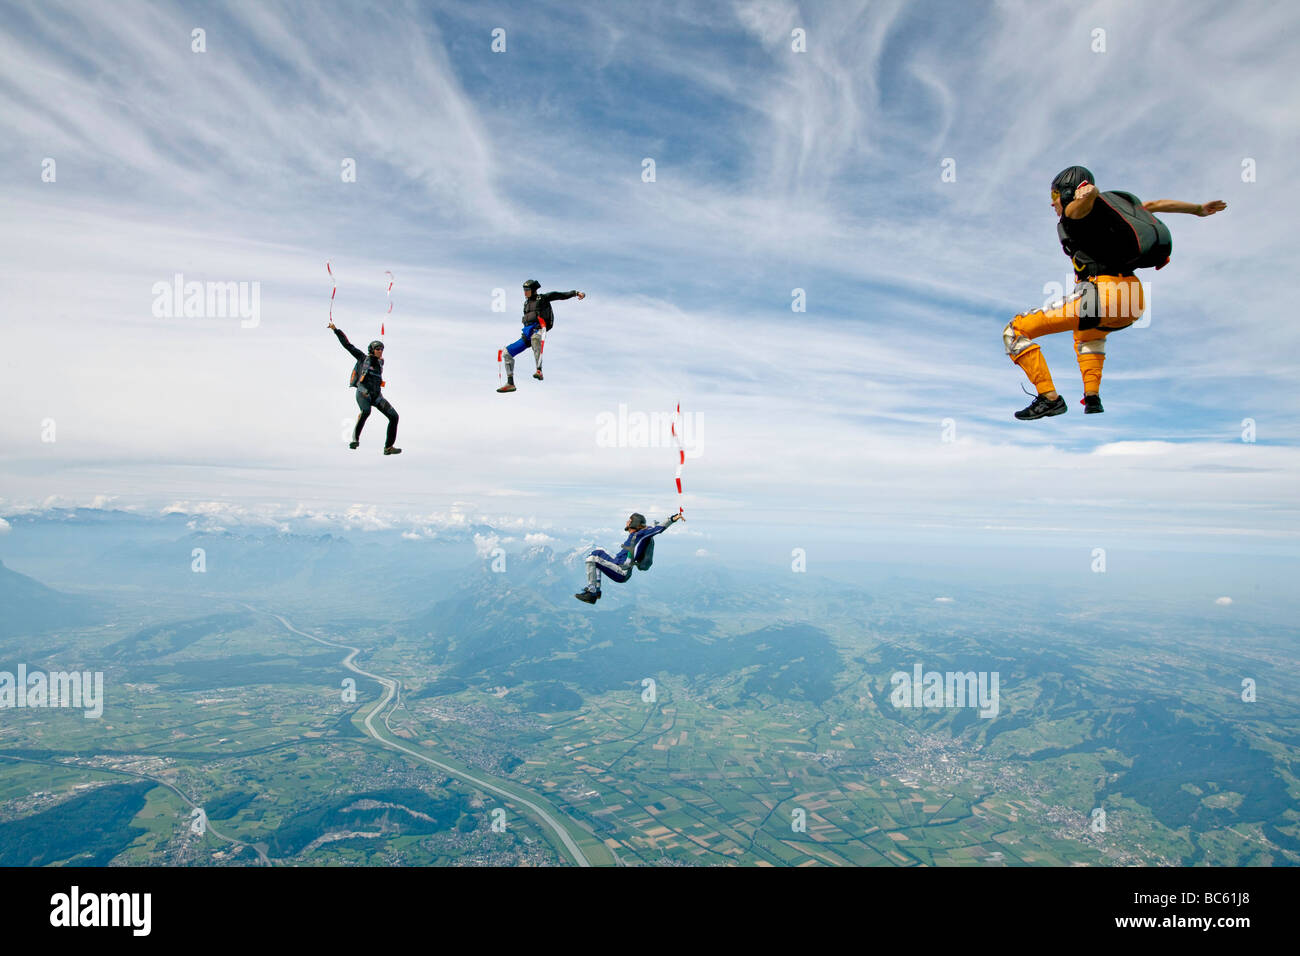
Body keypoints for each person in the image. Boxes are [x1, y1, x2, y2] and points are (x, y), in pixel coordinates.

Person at [1003, 165, 1226, 419]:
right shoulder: (1114, 207)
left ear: (1068, 194)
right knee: (1087, 336)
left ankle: (1049, 398)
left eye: (1054, 196)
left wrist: (1089, 192)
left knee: (1014, 330)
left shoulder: (1075, 213)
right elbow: (1154, 204)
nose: (1052, 203)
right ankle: (1092, 398)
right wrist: (1197, 209)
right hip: (1133, 301)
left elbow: (1080, 205)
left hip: (1105, 294)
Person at [496, 279, 585, 392]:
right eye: (524, 290)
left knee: (535, 339)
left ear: (533, 290)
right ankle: (510, 383)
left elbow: (560, 295)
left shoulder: (542, 298)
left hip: (538, 329)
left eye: (527, 290)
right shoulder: (526, 303)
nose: (525, 292)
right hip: (527, 332)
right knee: (506, 353)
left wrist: (576, 293)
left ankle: (539, 370)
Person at [575, 512, 683, 604]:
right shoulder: (637, 535)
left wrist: (673, 518)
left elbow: (658, 529)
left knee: (591, 559)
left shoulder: (641, 534)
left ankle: (591, 594)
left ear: (634, 523)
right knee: (596, 552)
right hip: (618, 562)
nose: (627, 522)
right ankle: (596, 591)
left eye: (629, 520)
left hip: (622, 571)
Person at [329, 320, 400, 454]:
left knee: (394, 417)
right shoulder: (363, 358)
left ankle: (388, 447)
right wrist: (335, 330)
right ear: (372, 350)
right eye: (378, 349)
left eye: (382, 349)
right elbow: (348, 346)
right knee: (366, 412)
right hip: (364, 393)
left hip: (377, 396)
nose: (380, 351)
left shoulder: (381, 363)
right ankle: (355, 439)